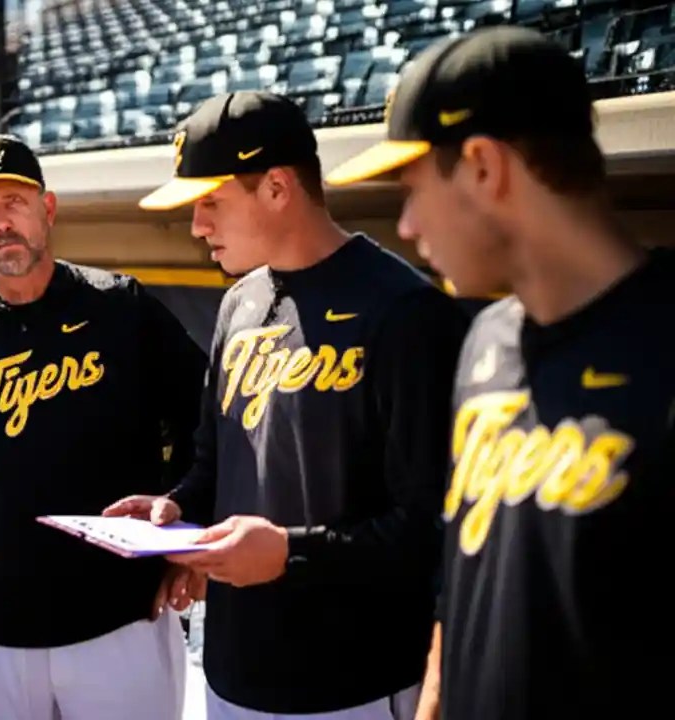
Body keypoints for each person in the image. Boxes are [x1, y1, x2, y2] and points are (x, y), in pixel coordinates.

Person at [325, 26, 675, 720]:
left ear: (484, 167)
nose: (408, 225)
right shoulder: (485, 337)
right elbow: (467, 582)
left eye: (412, 188)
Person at [105, 91, 469, 719]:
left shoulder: (406, 312)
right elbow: (214, 465)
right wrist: (177, 507)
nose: (196, 226)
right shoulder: (238, 304)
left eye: (210, 202)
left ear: (277, 187)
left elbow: (431, 530)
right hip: (233, 676)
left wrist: (290, 553)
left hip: (354, 686)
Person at [0, 134, 207, 719]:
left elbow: (205, 419)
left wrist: (186, 532)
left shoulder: (120, 307)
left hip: (121, 621)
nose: (1, 221)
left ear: (47, 208)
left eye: (14, 202)